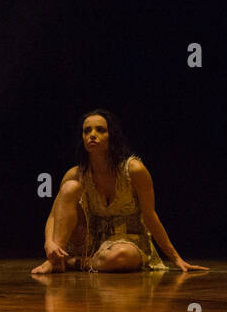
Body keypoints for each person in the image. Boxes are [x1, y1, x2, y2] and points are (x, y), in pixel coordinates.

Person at [33, 109, 206, 274]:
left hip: (127, 242)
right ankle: (54, 261)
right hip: (89, 241)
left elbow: (150, 215)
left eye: (100, 130)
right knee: (69, 187)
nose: (92, 135)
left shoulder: (134, 170)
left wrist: (176, 258)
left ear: (111, 136)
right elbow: (54, 216)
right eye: (87, 131)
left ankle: (75, 262)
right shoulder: (76, 173)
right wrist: (49, 243)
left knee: (121, 257)